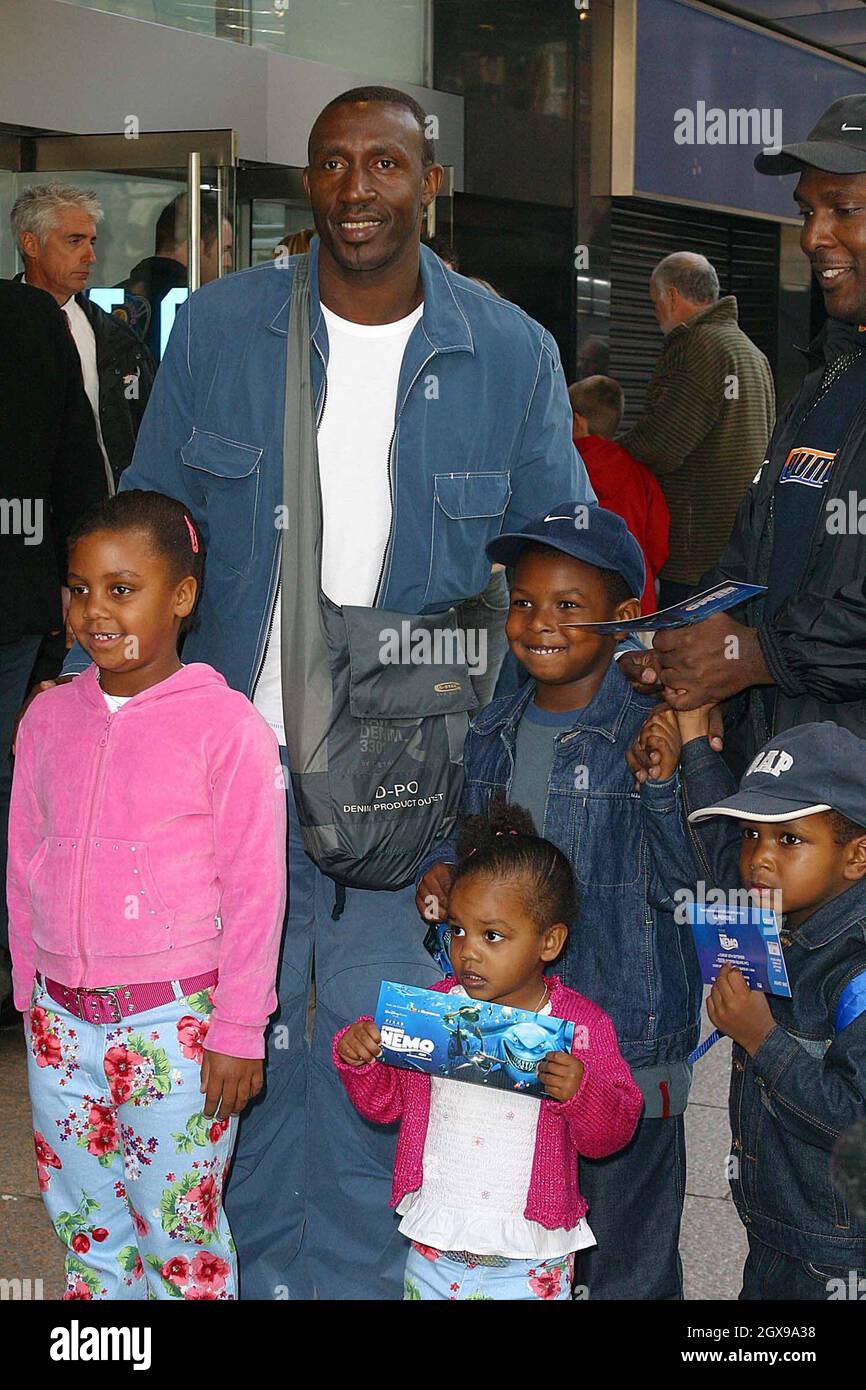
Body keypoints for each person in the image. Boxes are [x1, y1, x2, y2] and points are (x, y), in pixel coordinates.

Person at [49, 85, 595, 1301]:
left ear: (428, 183)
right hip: (221, 797)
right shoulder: (222, 330)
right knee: (216, 1085)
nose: (359, 189)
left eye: (386, 165)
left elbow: (559, 564)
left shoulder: (508, 354)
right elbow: (153, 530)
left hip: (413, 815)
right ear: (310, 183)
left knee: (375, 1084)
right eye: (335, 165)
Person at [416, 505, 704, 1299]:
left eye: (568, 606)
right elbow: (472, 840)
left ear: (622, 620)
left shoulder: (655, 732)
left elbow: (696, 886)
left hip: (628, 1052)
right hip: (511, 1048)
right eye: (523, 601)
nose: (538, 621)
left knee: (626, 1266)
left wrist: (661, 785)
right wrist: (446, 870)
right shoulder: (493, 728)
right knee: (526, 1255)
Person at [7, 490, 287, 1300]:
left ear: (182, 597)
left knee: (180, 1239)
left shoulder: (226, 728)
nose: (95, 610)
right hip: (60, 1021)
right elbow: (24, 853)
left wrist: (239, 1027)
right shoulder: (46, 720)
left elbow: (256, 887)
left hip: (178, 1031)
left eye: (122, 588)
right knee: (88, 1237)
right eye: (80, 587)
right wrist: (31, 990)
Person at [621, 95, 866, 780]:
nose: (815, 235)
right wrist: (688, 656)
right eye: (806, 211)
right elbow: (758, 556)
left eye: (843, 209)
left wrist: (755, 657)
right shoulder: (825, 376)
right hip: (789, 785)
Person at [336, 800, 642, 1301]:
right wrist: (361, 1059)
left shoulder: (580, 1025)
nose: (468, 950)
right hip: (436, 1245)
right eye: (457, 929)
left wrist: (581, 1091)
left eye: (493, 935)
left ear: (550, 941)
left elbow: (610, 1136)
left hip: (532, 1257)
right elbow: (385, 1105)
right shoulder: (434, 1009)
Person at [637, 714, 866, 1300]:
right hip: (777, 1231)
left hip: (837, 1259)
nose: (760, 858)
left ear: (856, 856)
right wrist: (685, 759)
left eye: (789, 840)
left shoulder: (856, 972)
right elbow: (710, 863)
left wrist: (763, 1038)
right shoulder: (784, 913)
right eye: (753, 836)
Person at [0, 280, 108, 1026]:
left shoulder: (32, 321)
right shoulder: (33, 320)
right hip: (15, 591)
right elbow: (77, 460)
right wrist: (78, 582)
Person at [619, 252, 774, 609]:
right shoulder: (749, 350)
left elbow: (662, 444)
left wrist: (605, 454)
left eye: (654, 300)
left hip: (695, 550)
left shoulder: (698, 346)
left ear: (672, 296)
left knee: (681, 653)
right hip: (736, 544)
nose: (655, 310)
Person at [10, 184, 155, 490]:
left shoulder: (117, 338)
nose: (90, 256)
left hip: (104, 513)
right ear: (30, 244)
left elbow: (143, 430)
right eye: (74, 241)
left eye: (92, 242)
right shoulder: (9, 324)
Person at [569, 374, 669, 615]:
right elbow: (659, 546)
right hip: (634, 601)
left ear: (577, 421)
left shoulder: (565, 469)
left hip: (574, 603)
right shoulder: (641, 473)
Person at [117, 192, 233, 362]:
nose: (228, 262)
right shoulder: (205, 306)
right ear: (196, 245)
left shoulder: (120, 294)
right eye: (224, 250)